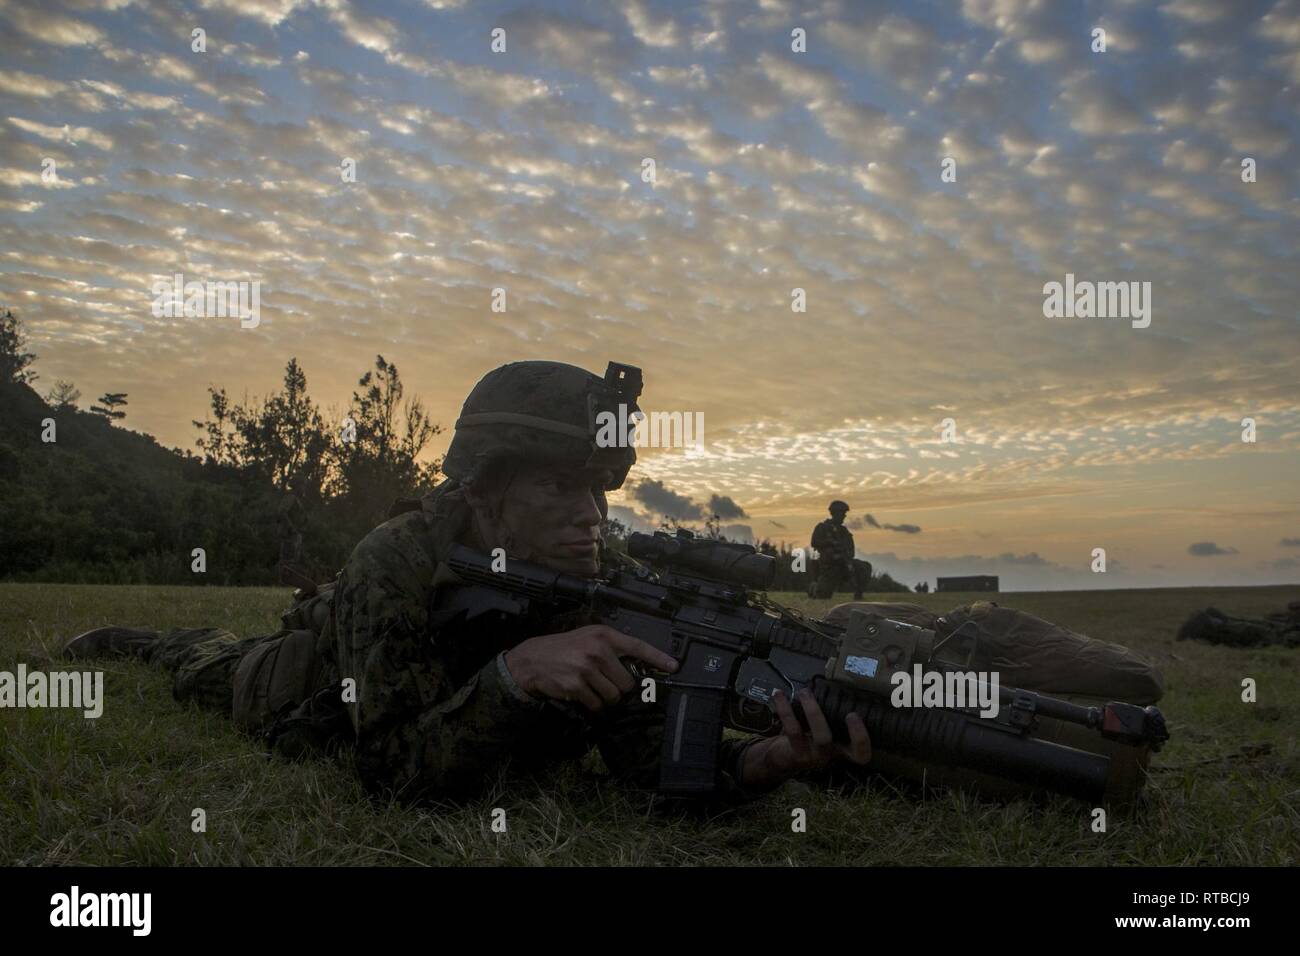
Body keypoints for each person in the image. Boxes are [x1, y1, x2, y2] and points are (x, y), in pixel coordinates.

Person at [64, 360, 871, 806]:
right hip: (303, 688)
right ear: (486, 489)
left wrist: (763, 759)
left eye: (598, 489)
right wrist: (515, 678)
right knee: (210, 664)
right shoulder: (399, 556)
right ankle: (153, 641)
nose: (590, 515)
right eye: (559, 486)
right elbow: (388, 770)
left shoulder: (606, 573)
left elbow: (642, 755)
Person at [809, 500, 871, 600]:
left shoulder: (844, 531)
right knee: (823, 596)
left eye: (844, 513)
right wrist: (829, 543)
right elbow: (814, 542)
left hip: (844, 564)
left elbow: (851, 550)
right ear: (834, 513)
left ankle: (859, 594)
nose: (844, 516)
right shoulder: (822, 527)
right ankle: (814, 588)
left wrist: (847, 559)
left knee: (865, 567)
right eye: (842, 513)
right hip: (829, 567)